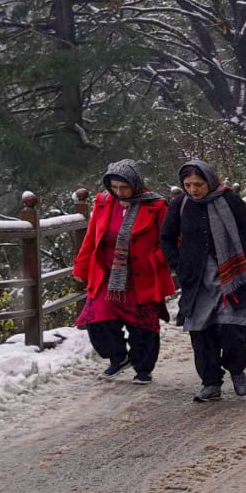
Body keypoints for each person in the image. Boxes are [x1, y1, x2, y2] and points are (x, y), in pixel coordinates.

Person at [160, 159, 246, 402]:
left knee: (233, 329)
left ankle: (236, 369)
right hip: (196, 280)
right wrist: (178, 263)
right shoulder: (181, 205)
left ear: (210, 182)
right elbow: (166, 236)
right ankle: (211, 382)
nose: (193, 190)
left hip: (230, 276)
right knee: (201, 333)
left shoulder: (228, 200)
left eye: (199, 184)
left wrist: (228, 249)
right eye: (188, 184)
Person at [73, 159, 175, 384]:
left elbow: (169, 239)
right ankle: (117, 357)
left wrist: (155, 259)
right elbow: (92, 238)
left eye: (124, 187)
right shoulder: (102, 202)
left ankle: (143, 368)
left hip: (142, 276)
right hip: (107, 276)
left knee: (143, 325)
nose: (119, 193)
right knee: (96, 319)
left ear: (136, 184)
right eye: (114, 187)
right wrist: (81, 267)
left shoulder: (156, 205)